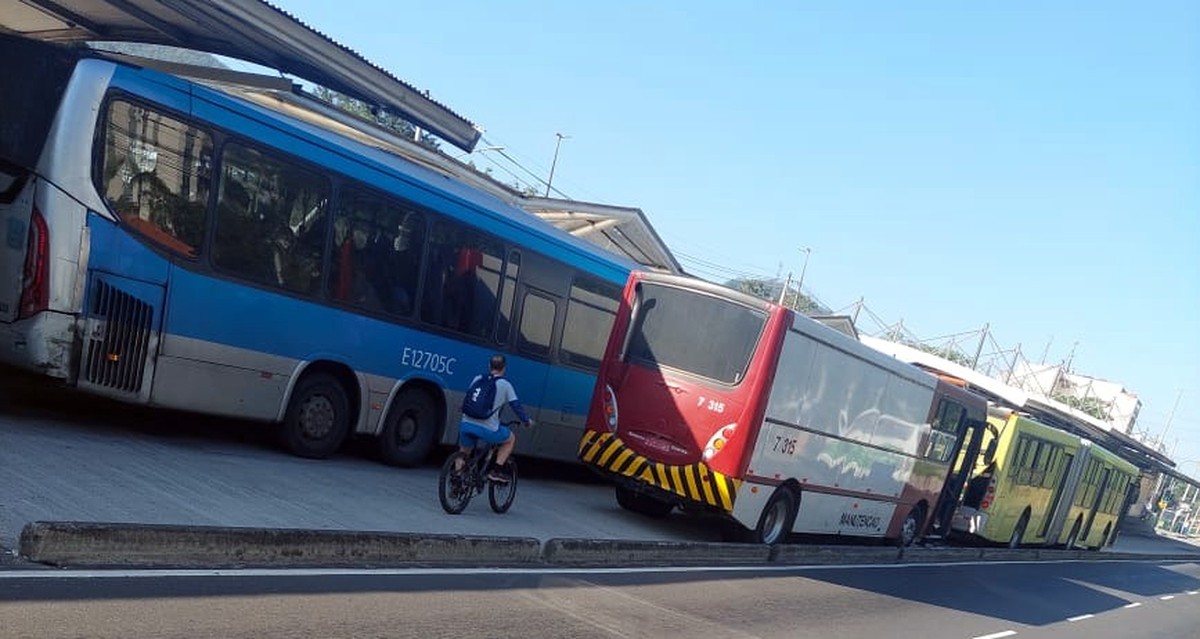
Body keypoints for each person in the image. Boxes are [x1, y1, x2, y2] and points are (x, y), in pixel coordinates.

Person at [457, 354, 533, 482]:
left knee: (463, 453)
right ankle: (496, 471)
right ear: (504, 368)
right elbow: (516, 406)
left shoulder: (478, 378)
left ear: (489, 366)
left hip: (466, 424)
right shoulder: (505, 385)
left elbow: (468, 398)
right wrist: (526, 421)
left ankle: (456, 480)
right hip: (487, 429)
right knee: (510, 439)